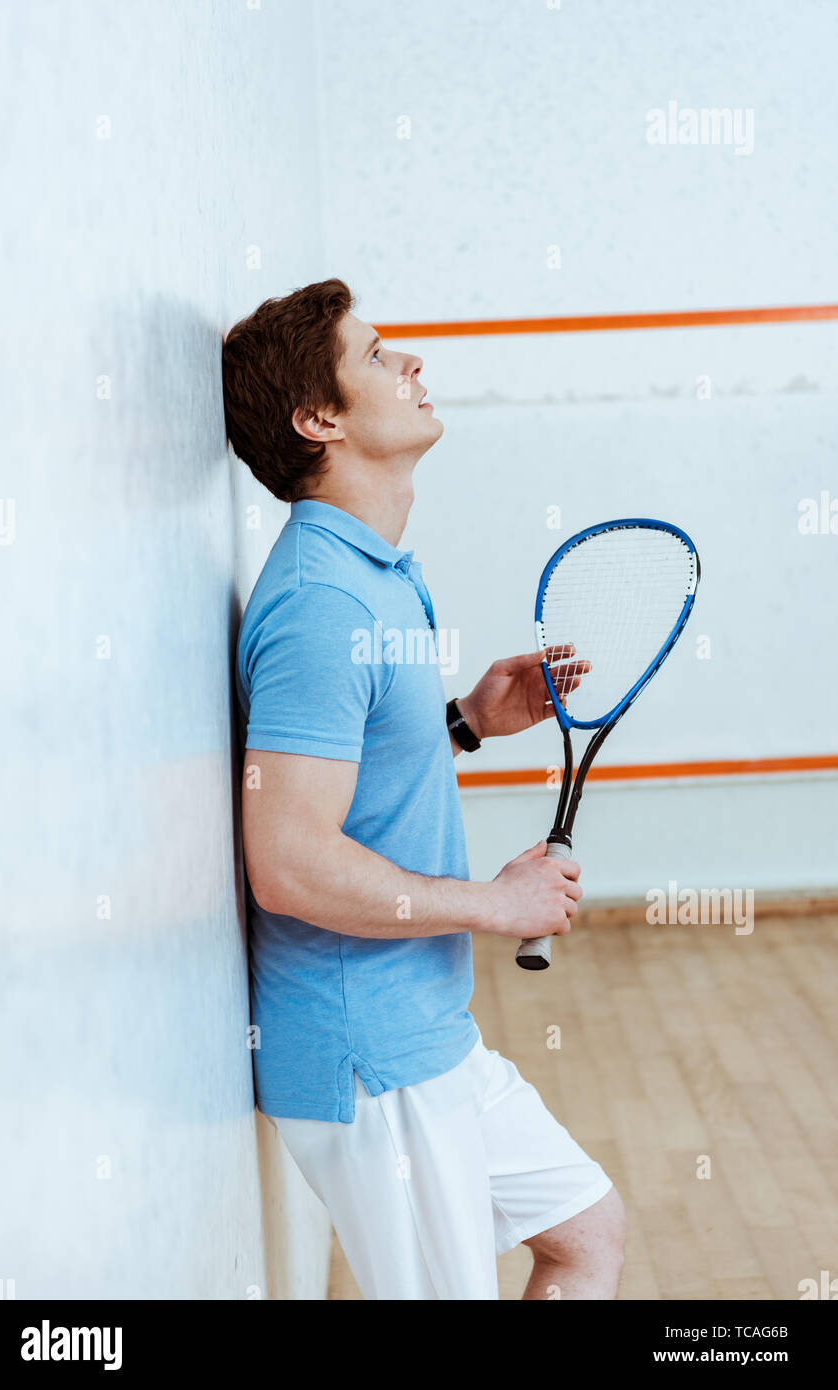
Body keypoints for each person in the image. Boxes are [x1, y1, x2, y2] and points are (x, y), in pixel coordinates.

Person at [221, 278, 626, 1300]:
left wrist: (466, 723)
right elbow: (288, 860)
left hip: (425, 1030)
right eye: (377, 357)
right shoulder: (319, 599)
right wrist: (495, 903)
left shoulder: (383, 573)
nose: (412, 365)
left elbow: (344, 778)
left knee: (585, 1230)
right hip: (372, 1060)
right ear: (320, 421)